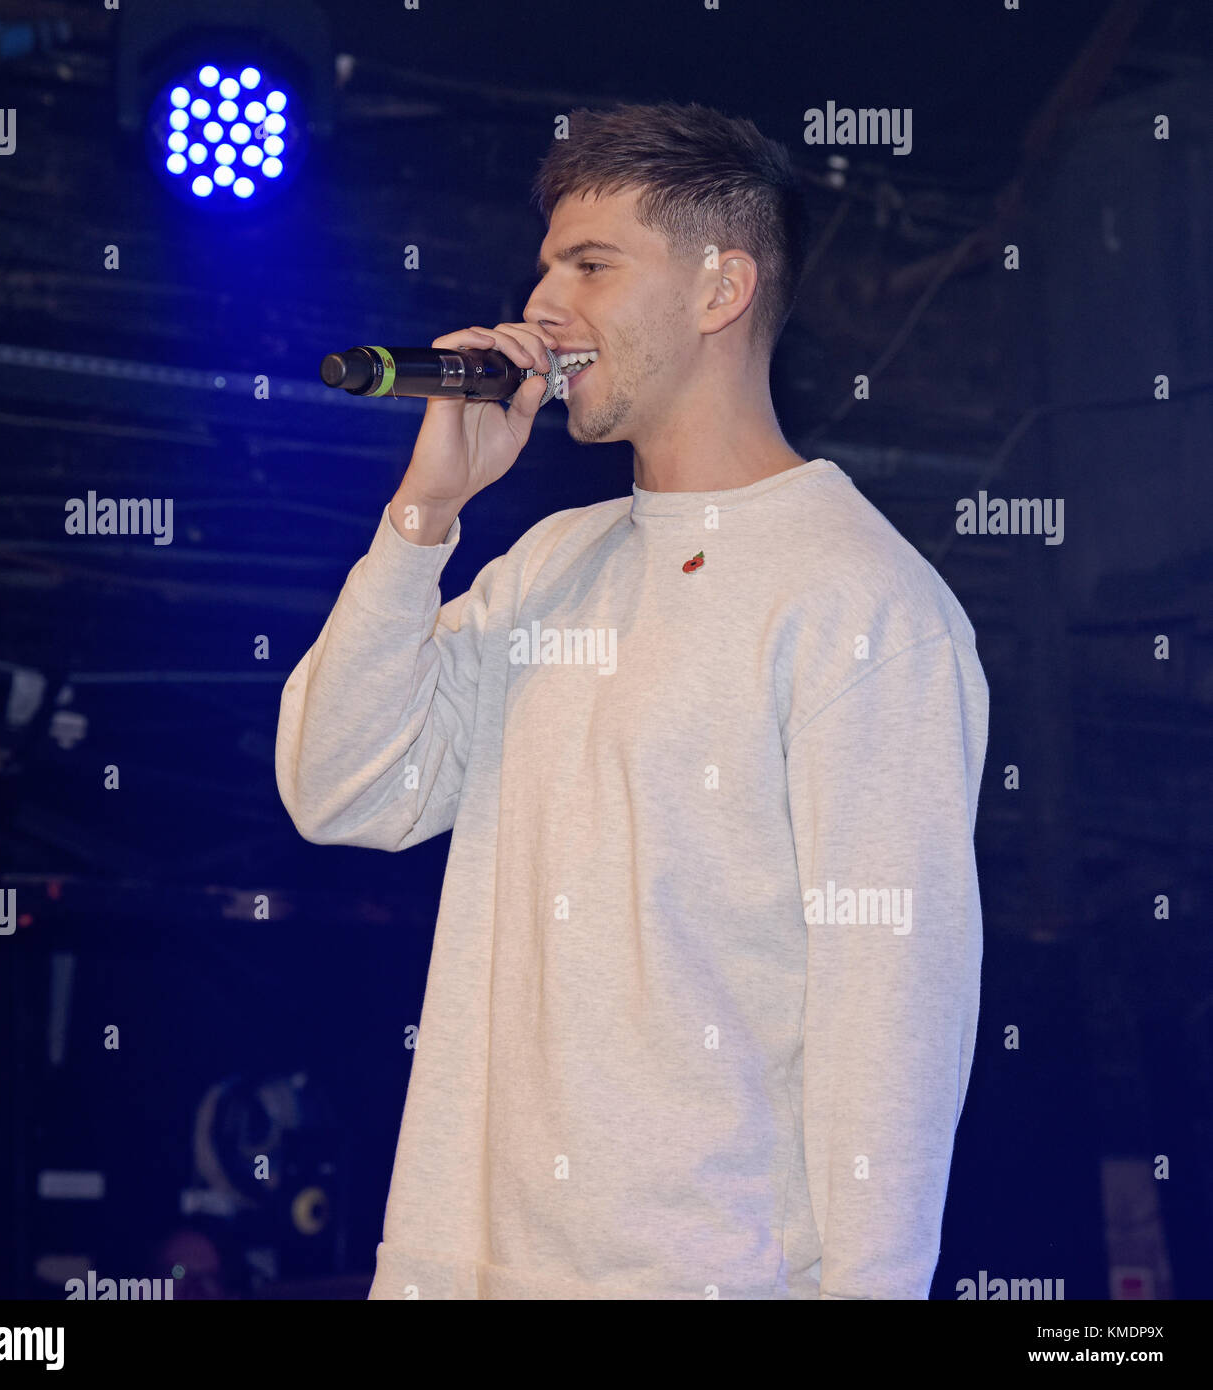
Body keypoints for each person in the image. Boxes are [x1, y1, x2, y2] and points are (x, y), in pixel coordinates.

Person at [276, 101, 988, 1299]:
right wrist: (424, 519)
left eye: (591, 264)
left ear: (720, 289)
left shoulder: (862, 604)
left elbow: (893, 1018)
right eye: (546, 261)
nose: (543, 305)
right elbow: (341, 788)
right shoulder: (552, 562)